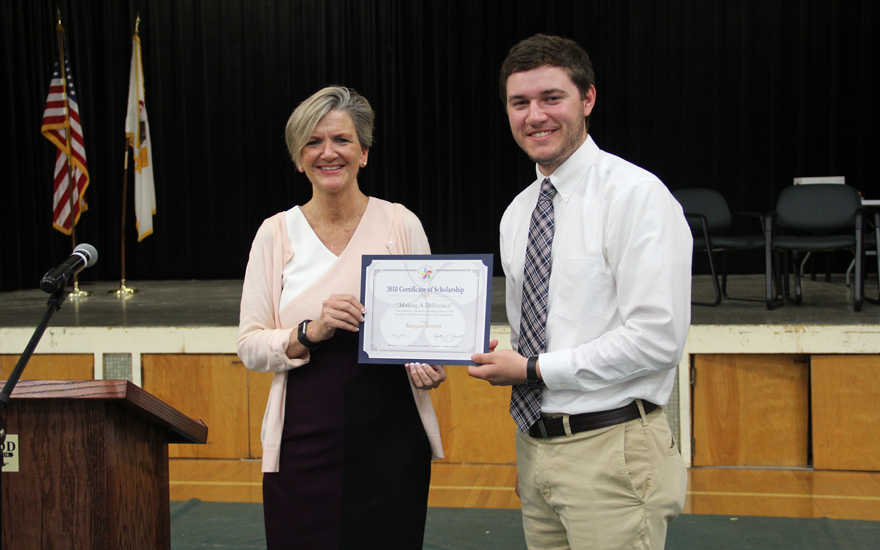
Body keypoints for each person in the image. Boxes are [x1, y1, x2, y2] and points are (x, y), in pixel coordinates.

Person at [469, 34, 692, 549]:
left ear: (587, 100)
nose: (535, 116)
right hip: (540, 448)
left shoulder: (636, 196)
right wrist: (535, 446)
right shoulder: (518, 212)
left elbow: (657, 338)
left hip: (612, 451)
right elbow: (535, 332)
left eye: (552, 98)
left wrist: (531, 370)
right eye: (520, 103)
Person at [238, 86, 446, 550]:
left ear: (364, 152)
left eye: (342, 140)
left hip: (392, 441)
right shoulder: (274, 234)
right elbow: (250, 346)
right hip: (303, 442)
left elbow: (431, 334)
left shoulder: (401, 224)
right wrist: (310, 331)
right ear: (298, 158)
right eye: (312, 142)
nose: (327, 152)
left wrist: (433, 365)